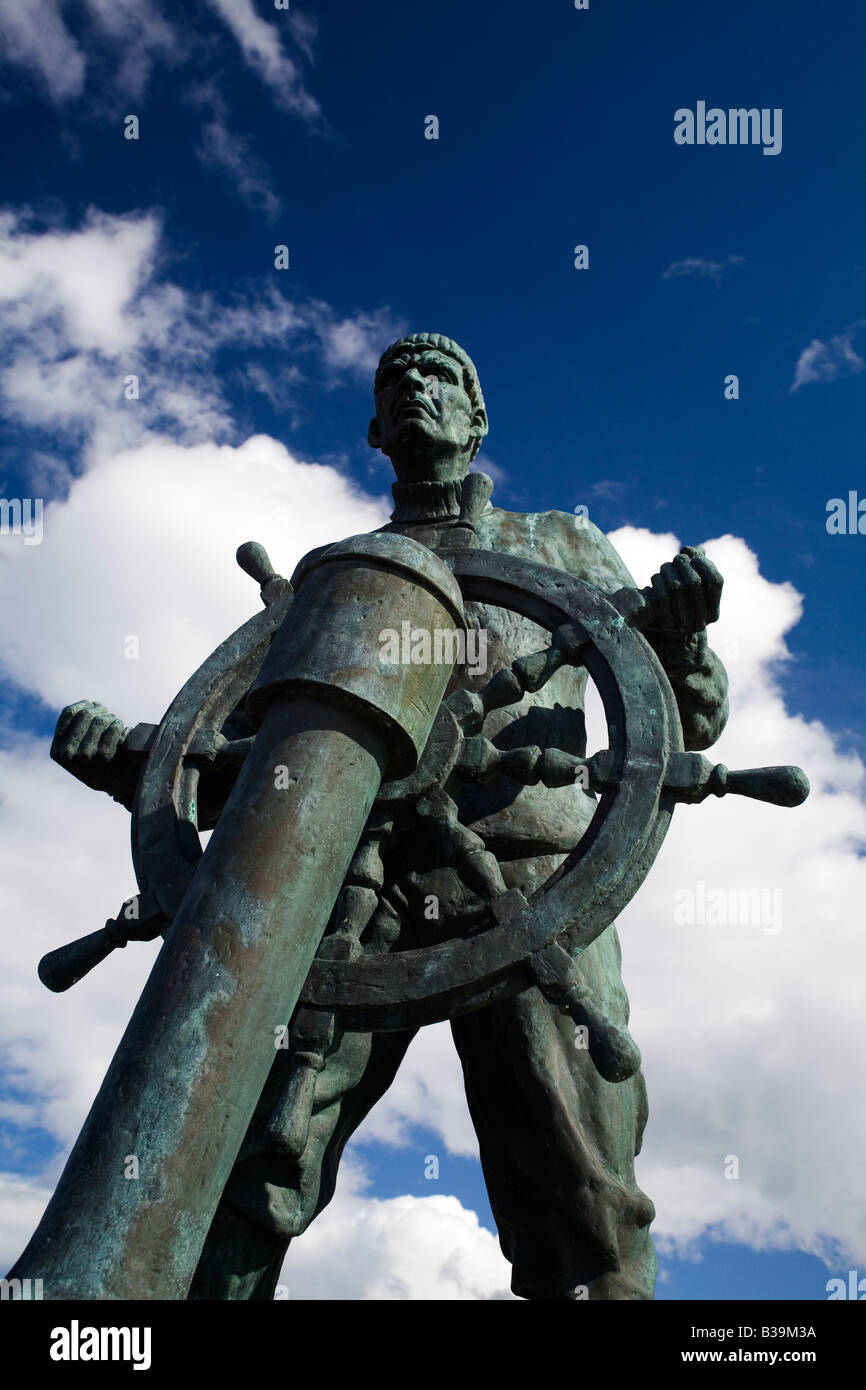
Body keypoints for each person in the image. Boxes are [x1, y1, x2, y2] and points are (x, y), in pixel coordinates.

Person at [52, 334, 728, 1300]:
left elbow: (692, 717)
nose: (418, 387)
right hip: (349, 901)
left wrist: (686, 634)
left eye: (442, 375)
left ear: (478, 417)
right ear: (374, 429)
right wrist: (132, 758)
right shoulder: (340, 580)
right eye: (396, 380)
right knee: (247, 1177)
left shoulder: (563, 546)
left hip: (536, 891)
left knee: (584, 1192)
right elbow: (257, 763)